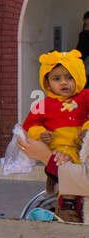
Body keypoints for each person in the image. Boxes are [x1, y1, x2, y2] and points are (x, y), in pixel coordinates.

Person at [22, 49, 89, 221]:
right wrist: (41, 133)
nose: (64, 83)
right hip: (59, 151)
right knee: (64, 184)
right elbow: (30, 124)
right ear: (47, 82)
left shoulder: (85, 97)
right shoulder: (43, 104)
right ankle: (66, 210)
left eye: (70, 77)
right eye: (56, 78)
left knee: (73, 177)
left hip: (80, 150)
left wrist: (86, 128)